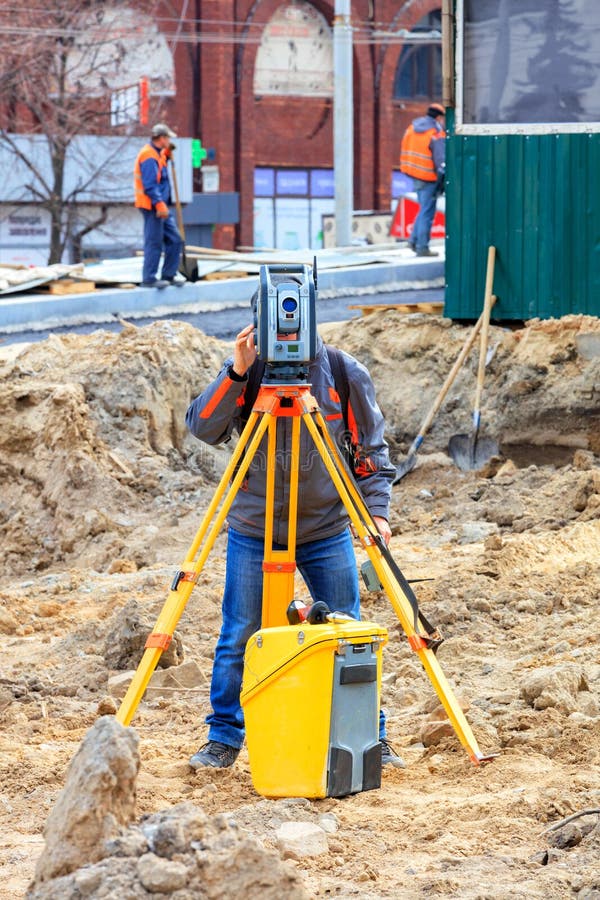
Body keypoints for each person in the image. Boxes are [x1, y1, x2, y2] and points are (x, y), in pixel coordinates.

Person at [184, 279, 405, 771]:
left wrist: (378, 514)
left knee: (348, 629)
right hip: (253, 526)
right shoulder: (249, 374)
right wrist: (238, 371)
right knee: (240, 632)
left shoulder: (343, 374)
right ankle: (223, 736)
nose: (287, 324)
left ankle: (366, 733)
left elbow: (372, 454)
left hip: (324, 527)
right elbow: (202, 427)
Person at [133, 123, 184, 288]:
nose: (169, 141)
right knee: (154, 242)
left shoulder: (158, 153)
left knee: (175, 239)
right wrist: (159, 204)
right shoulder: (148, 156)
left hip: (160, 206)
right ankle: (149, 278)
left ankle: (169, 274)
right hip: (152, 207)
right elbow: (150, 185)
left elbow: (160, 173)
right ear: (161, 138)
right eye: (168, 138)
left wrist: (167, 156)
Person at [400, 102, 446, 257]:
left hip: (414, 174)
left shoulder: (412, 128)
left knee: (423, 208)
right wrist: (444, 177)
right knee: (427, 211)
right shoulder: (435, 132)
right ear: (439, 117)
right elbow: (441, 159)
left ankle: (413, 240)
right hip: (429, 176)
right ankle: (422, 247)